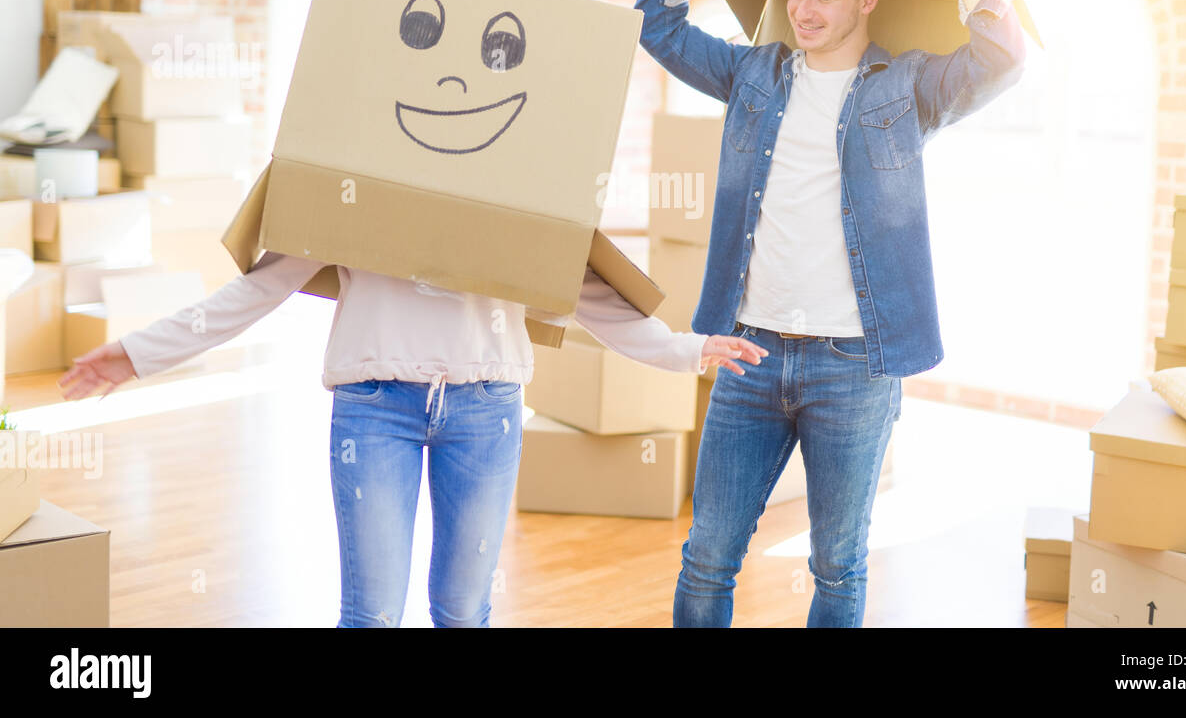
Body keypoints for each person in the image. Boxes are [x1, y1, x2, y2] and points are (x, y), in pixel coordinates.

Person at [634, 0, 1028, 627]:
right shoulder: (756, 74)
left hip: (855, 365)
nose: (804, 10)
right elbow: (659, 25)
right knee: (708, 552)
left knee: (838, 564)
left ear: (867, 0)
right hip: (749, 353)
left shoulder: (906, 89)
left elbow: (1002, 52)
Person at [58, 253, 767, 627]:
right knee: (371, 614)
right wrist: (136, 353)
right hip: (374, 408)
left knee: (463, 610)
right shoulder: (353, 173)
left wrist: (686, 349)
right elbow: (255, 289)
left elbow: (590, 293)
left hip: (484, 409)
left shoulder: (518, 173)